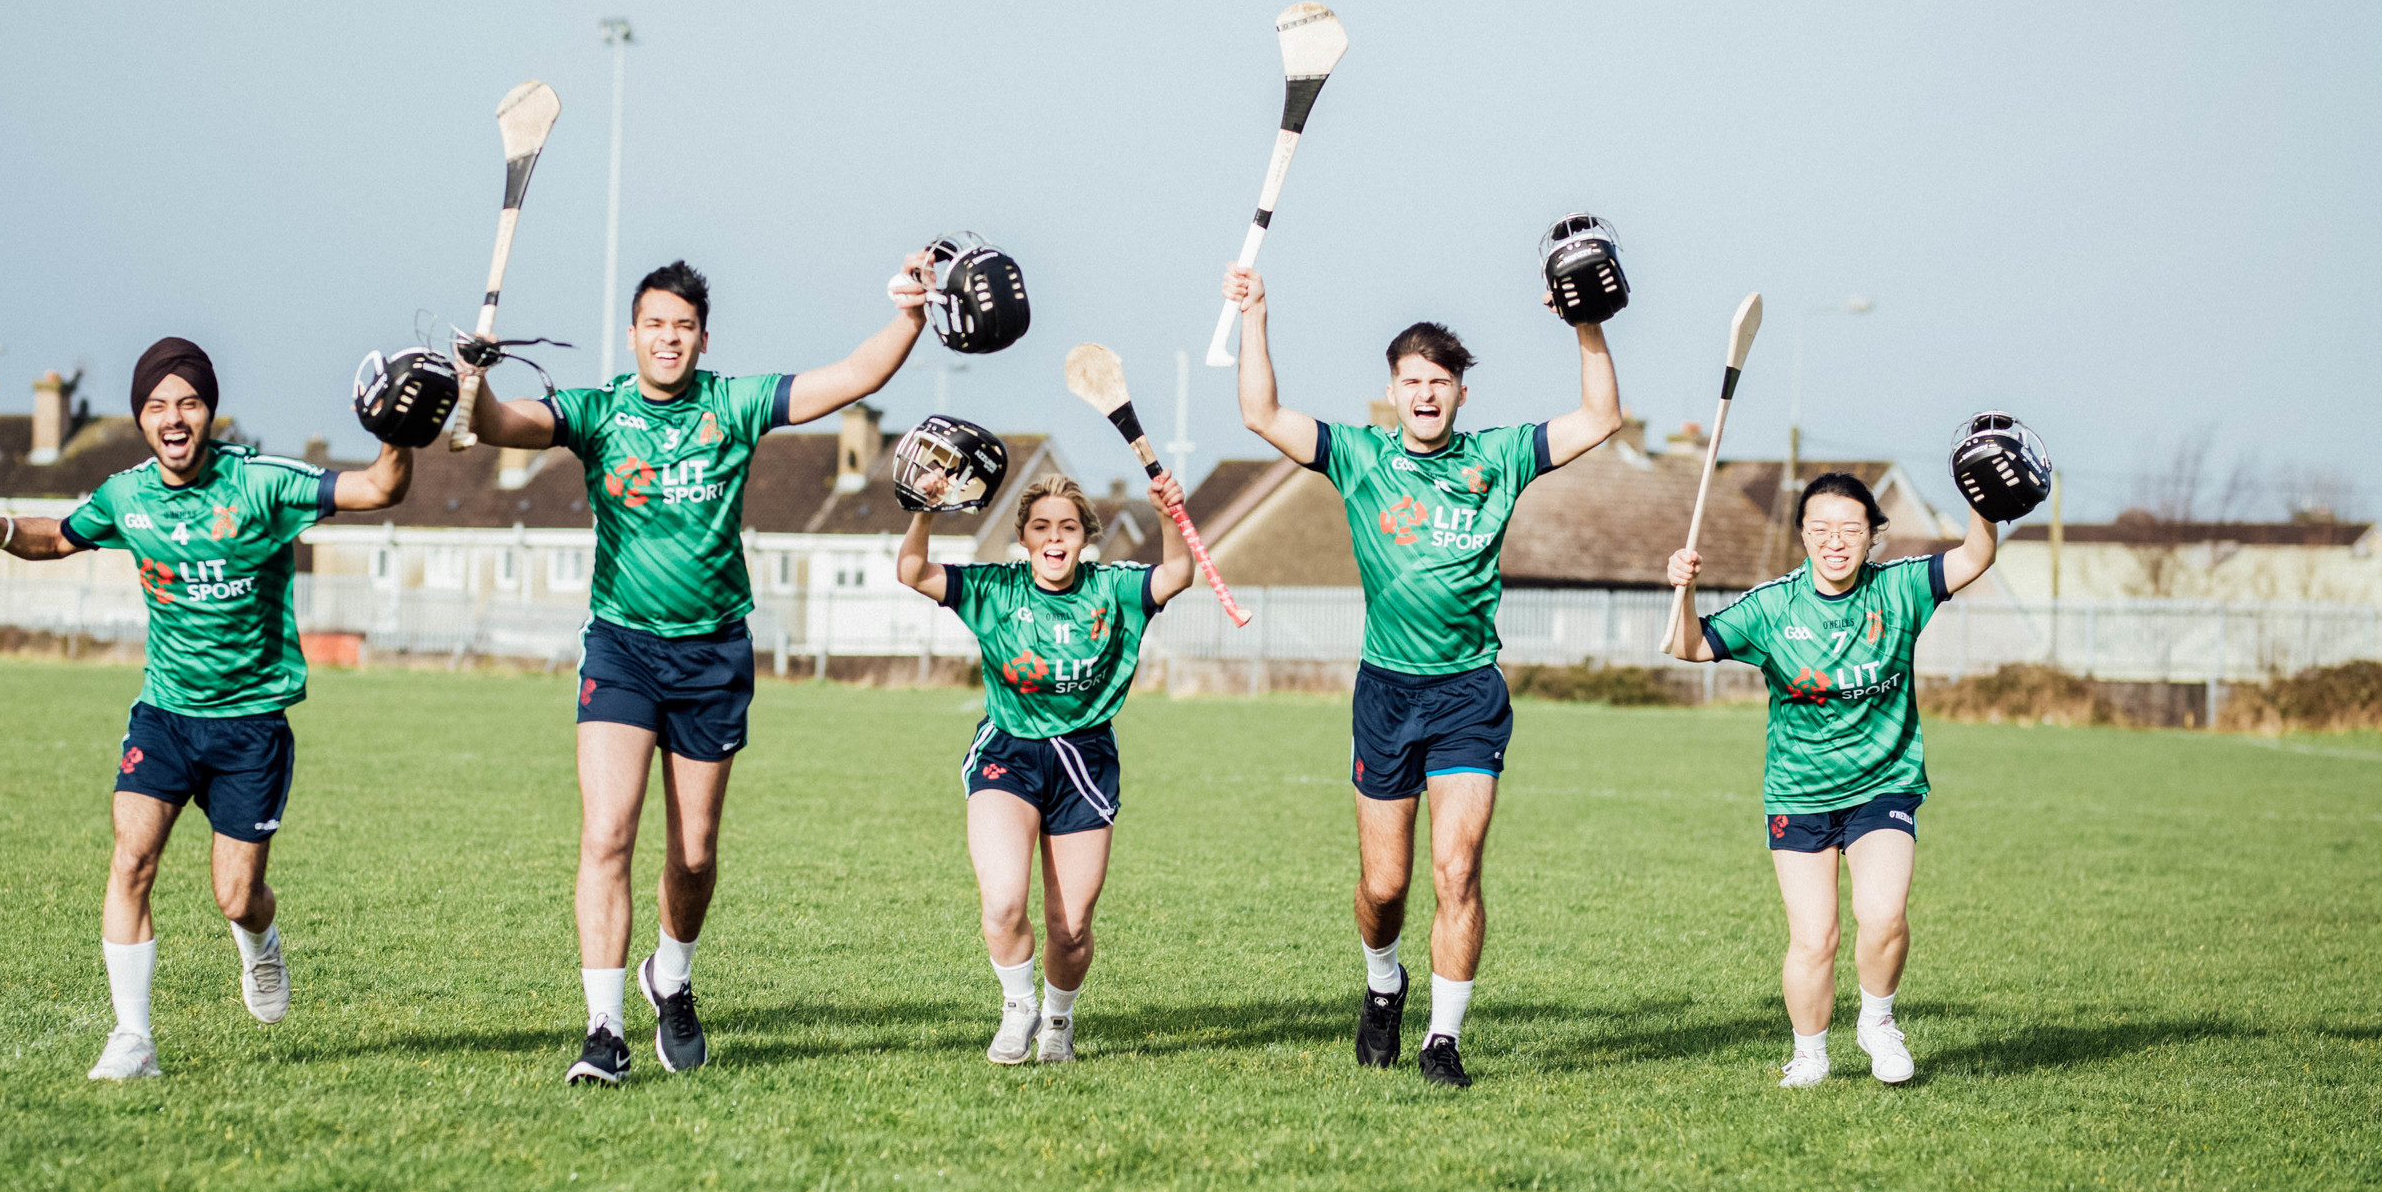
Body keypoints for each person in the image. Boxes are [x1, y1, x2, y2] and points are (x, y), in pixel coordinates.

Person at [464, 253, 933, 1084]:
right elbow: (499, 427)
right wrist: (474, 382)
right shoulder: (598, 411)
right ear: (634, 333)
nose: (668, 339)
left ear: (702, 339)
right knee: (607, 834)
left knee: (694, 854)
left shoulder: (734, 405)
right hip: (621, 646)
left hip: (713, 651)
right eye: (655, 324)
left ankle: (671, 980)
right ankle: (603, 1028)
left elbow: (856, 376)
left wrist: (914, 309)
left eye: (683, 327)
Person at [0, 337, 412, 1081]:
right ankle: (134, 1040)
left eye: (188, 402)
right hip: (164, 713)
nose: (174, 416)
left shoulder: (260, 482)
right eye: (158, 405)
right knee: (131, 859)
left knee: (237, 894)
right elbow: (59, 537)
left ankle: (260, 942)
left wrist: (398, 427)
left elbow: (379, 489)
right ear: (141, 420)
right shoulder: (126, 494)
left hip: (251, 724)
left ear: (209, 412)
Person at [1223, 265, 1623, 1087]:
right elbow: (1259, 413)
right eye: (1412, 382)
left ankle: (1443, 1040)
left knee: (1458, 870)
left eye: (1440, 382)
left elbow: (1602, 417)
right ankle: (1382, 983)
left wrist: (1584, 323)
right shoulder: (1360, 457)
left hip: (1468, 692)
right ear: (1392, 392)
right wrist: (1257, 314)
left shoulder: (1500, 458)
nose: (1426, 395)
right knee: (1385, 885)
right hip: (1386, 692)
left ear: (1460, 394)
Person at [1662, 472, 1999, 1086]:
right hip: (1799, 792)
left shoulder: (1900, 590)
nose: (1835, 541)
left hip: (1884, 783)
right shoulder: (1772, 606)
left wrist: (1982, 506)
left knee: (1885, 915)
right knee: (1815, 939)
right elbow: (1688, 646)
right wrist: (1683, 591)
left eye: (1850, 529)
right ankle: (1810, 1053)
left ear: (1873, 535)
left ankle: (1877, 1021)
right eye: (1820, 529)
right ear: (1802, 536)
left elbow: (1976, 555)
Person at [895, 470, 1196, 1063]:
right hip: (1008, 753)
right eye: (1041, 528)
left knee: (1072, 927)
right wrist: (924, 511)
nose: (1054, 539)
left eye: (1067, 527)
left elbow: (1178, 574)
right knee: (1004, 903)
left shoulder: (1113, 590)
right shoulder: (997, 590)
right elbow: (912, 571)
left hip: (1085, 761)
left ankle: (1058, 1019)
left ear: (1086, 536)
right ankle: (1018, 1009)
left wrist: (1167, 513)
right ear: (1024, 538)